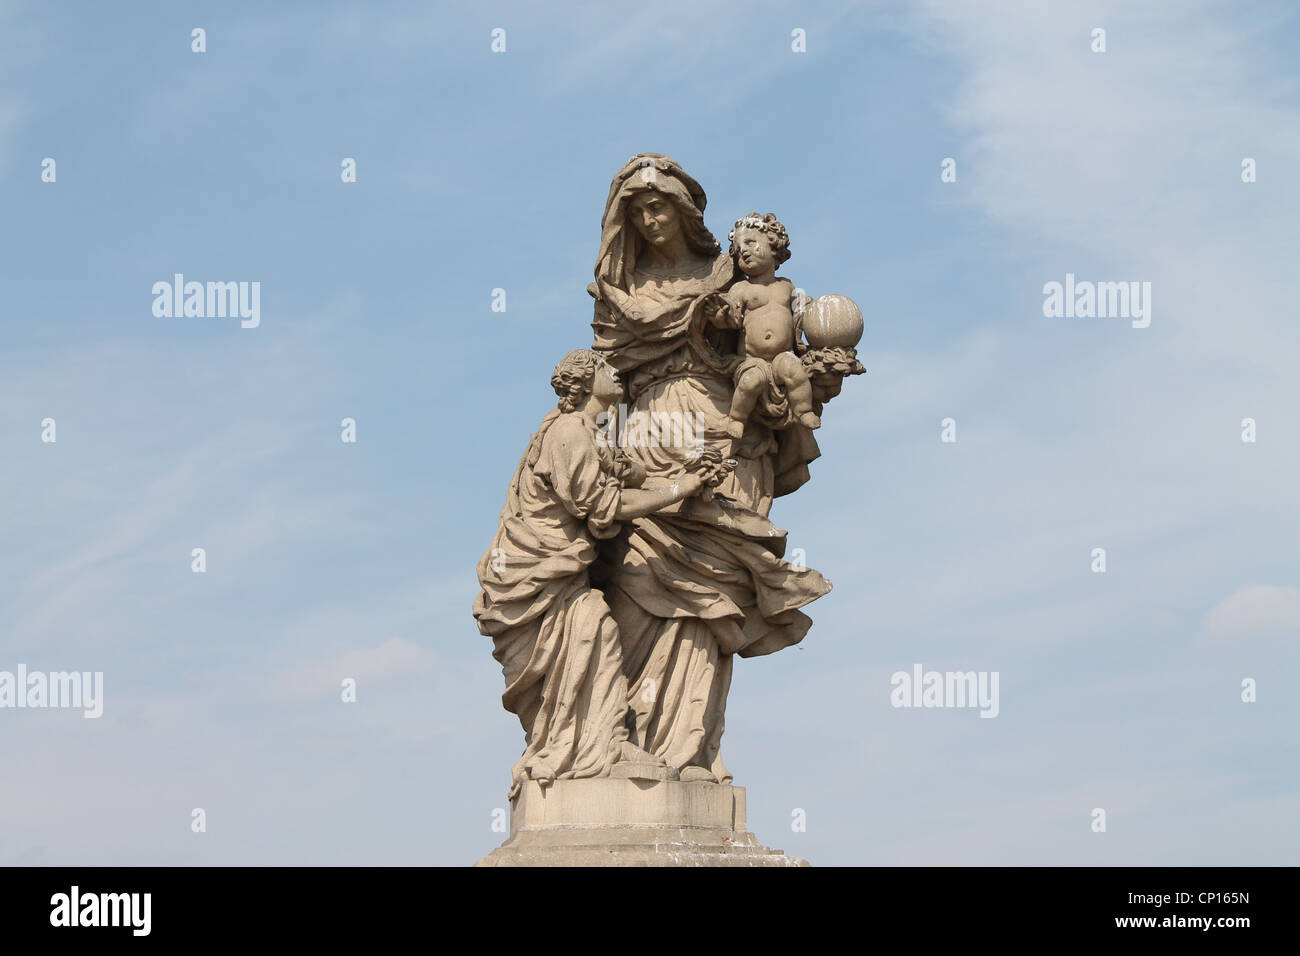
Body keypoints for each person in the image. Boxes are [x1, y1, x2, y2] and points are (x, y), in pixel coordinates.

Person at [589, 155, 831, 784]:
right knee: (635, 578)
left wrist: (811, 379)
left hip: (722, 436)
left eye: (661, 206)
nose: (651, 218)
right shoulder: (619, 292)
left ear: (686, 213)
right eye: (638, 210)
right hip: (645, 437)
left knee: (711, 593)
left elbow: (769, 353)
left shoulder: (726, 275)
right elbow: (602, 381)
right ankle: (621, 736)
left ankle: (690, 748)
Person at [473, 349, 716, 798]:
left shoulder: (593, 433)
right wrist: (680, 488)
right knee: (594, 627)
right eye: (604, 369)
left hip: (560, 572)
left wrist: (686, 472)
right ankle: (588, 748)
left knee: (594, 627)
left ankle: (597, 743)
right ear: (585, 384)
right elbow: (604, 505)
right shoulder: (568, 433)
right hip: (536, 574)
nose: (614, 372)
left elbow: (626, 475)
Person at [718, 213, 821, 437]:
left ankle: (803, 410)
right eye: (738, 247)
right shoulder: (741, 289)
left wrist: (807, 306)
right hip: (752, 360)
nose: (743, 250)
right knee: (749, 382)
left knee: (795, 372)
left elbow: (802, 312)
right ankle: (737, 418)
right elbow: (732, 319)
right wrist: (722, 315)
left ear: (773, 245)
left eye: (750, 242)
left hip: (782, 355)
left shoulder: (786, 287)